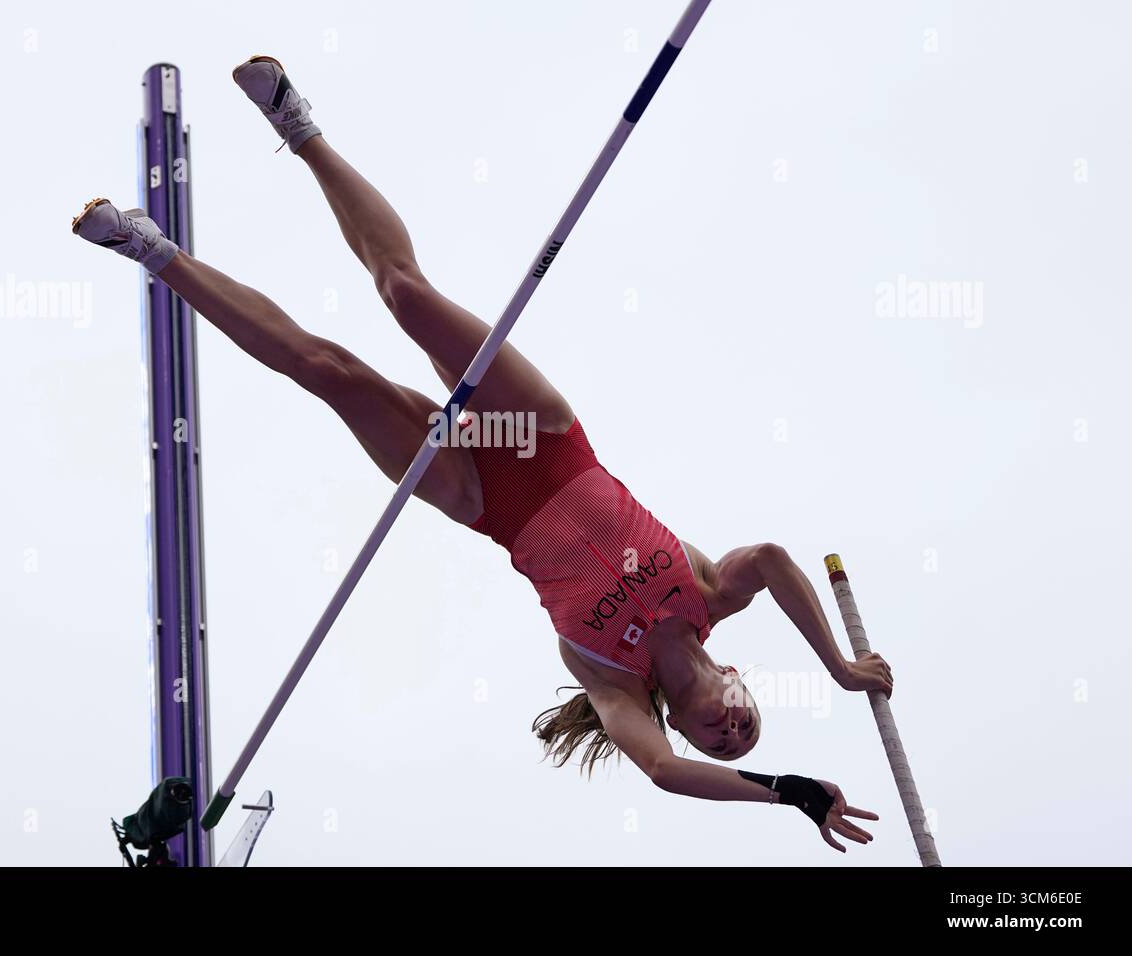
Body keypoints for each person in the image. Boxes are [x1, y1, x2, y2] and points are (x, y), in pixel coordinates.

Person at [74, 56, 893, 852]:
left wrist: (785, 790)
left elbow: (667, 775)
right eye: (747, 725)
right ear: (741, 678)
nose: (733, 731)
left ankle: (153, 251)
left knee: (327, 372)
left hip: (478, 494)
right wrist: (841, 667)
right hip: (538, 433)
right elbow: (780, 560)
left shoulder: (616, 688)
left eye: (725, 744)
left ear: (684, 725)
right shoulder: (713, 593)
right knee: (405, 293)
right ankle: (300, 127)